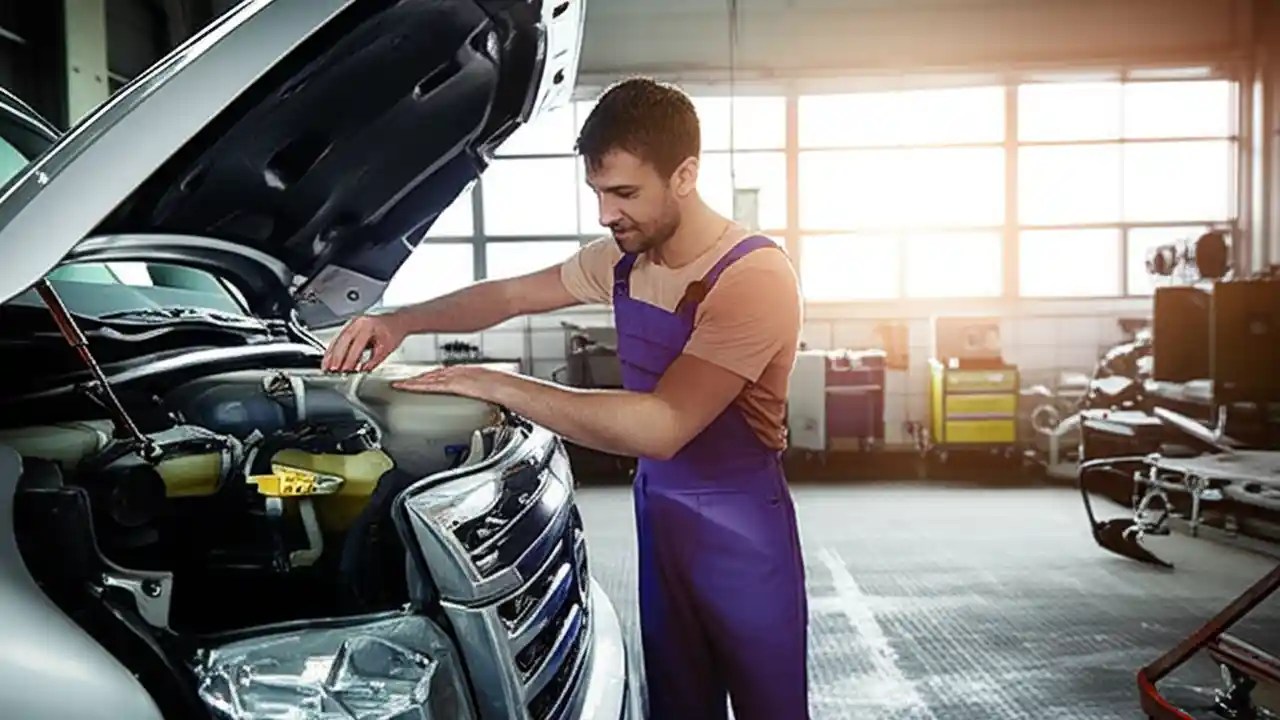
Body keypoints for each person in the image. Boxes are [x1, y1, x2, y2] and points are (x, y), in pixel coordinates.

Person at [323, 77, 809, 720]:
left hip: (742, 528)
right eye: (599, 193)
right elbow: (509, 296)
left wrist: (498, 384)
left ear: (685, 175)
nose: (607, 213)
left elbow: (662, 426)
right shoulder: (625, 260)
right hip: (660, 516)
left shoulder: (753, 276)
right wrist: (400, 321)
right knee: (677, 702)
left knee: (768, 706)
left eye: (625, 193)